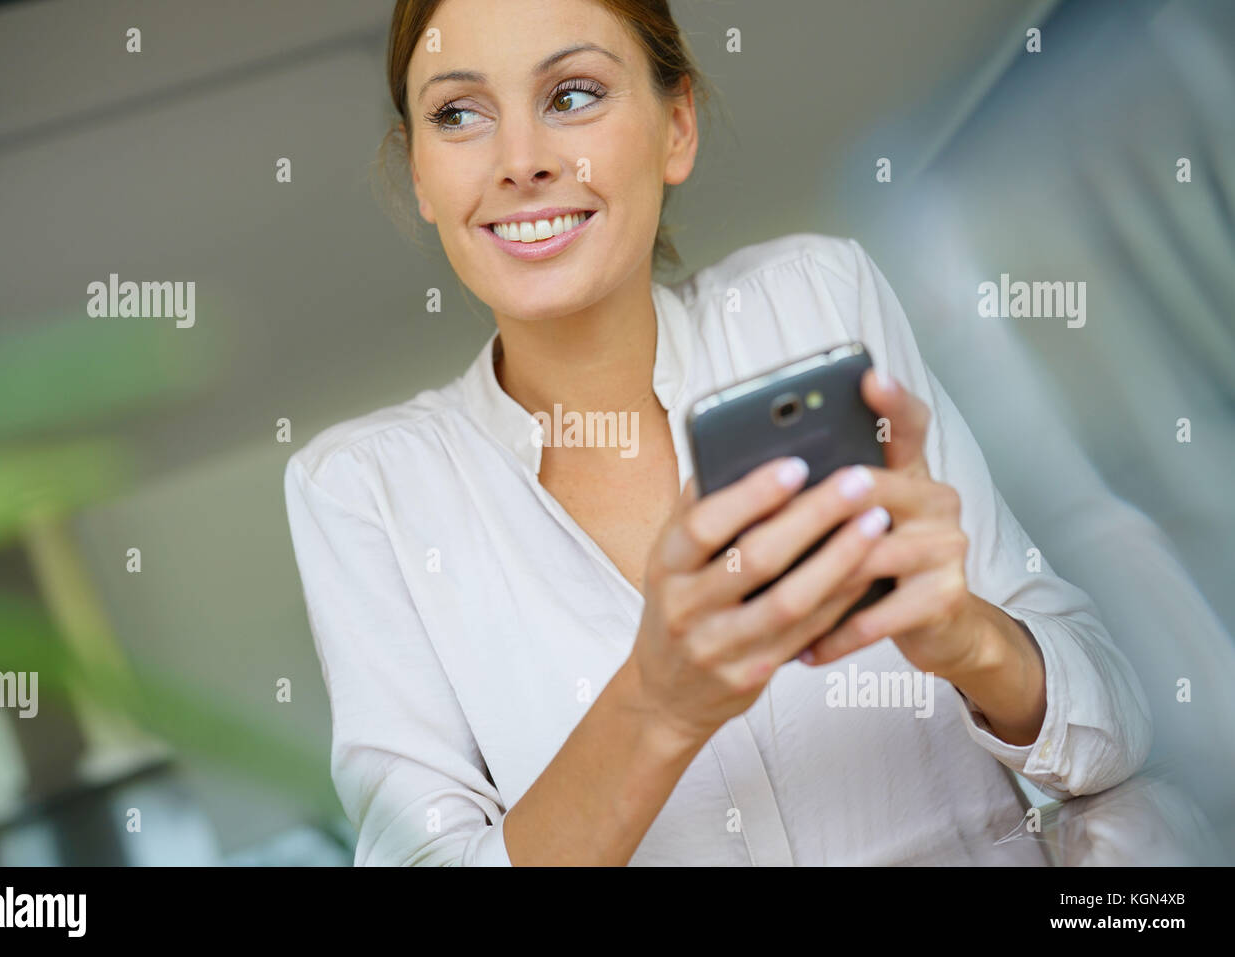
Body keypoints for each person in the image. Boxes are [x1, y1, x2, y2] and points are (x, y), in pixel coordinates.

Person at [283, 0, 1151, 866]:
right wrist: (658, 703)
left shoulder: (815, 302)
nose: (521, 163)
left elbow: (1120, 724)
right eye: (458, 113)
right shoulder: (362, 491)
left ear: (677, 126)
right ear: (422, 175)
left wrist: (964, 634)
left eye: (574, 94)